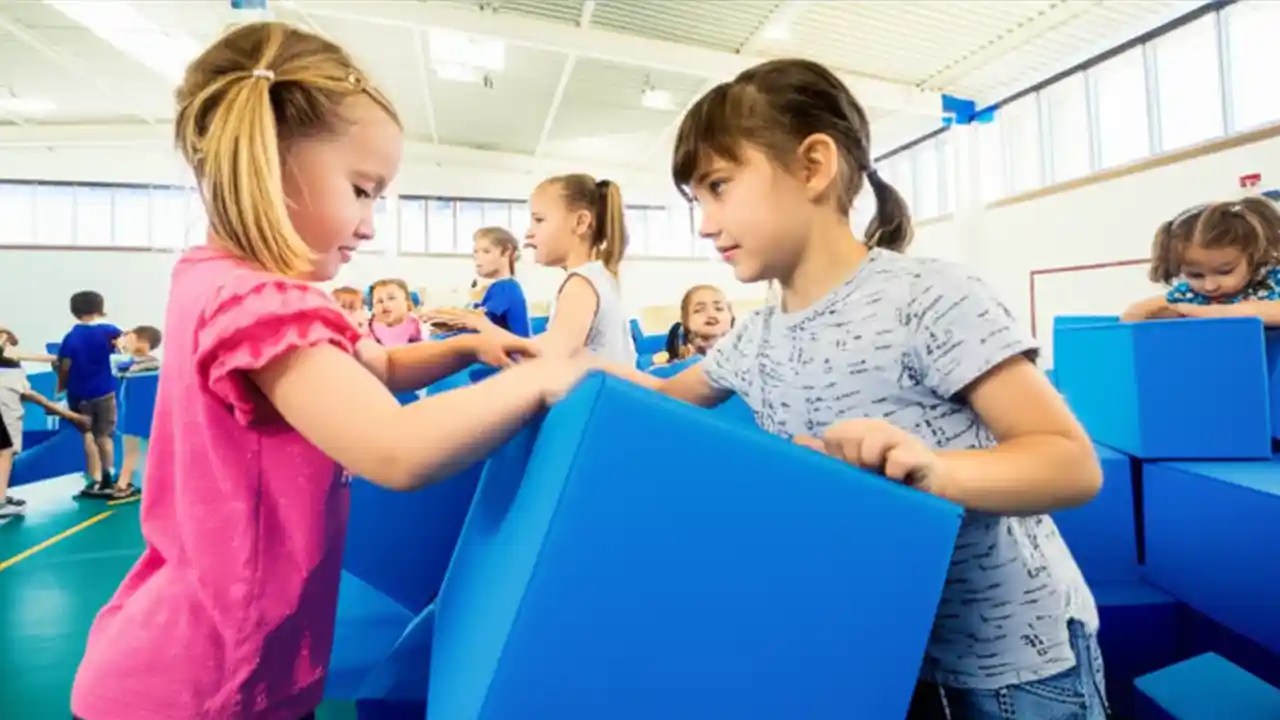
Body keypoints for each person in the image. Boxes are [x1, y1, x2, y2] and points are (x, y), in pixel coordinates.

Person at [70, 22, 588, 720]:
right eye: (362, 189)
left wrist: (468, 348)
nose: (371, 224)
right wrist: (541, 378)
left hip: (228, 662)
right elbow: (396, 449)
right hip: (205, 686)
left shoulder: (216, 281)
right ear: (267, 165)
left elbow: (380, 365)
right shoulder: (258, 305)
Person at [603, 58, 1107, 720]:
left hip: (1009, 664)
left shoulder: (928, 297)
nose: (704, 223)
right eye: (698, 200)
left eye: (719, 187)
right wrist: (560, 372)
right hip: (880, 657)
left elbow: (1069, 463)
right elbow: (656, 401)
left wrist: (934, 472)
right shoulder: (753, 340)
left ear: (813, 166)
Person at [1122, 198, 1280, 324]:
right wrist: (1165, 312)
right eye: (1195, 275)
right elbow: (1132, 315)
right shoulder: (1188, 294)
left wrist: (1197, 312)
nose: (1210, 286)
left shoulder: (1272, 281)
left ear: (1254, 258)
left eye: (1224, 272)